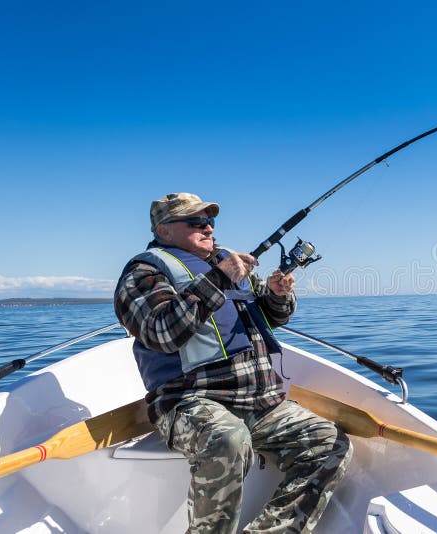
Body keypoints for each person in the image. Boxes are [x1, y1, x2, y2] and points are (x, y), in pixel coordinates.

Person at [114, 192, 352, 534]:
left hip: (260, 404)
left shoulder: (230, 264)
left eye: (210, 221)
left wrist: (277, 295)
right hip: (191, 402)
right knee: (228, 438)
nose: (208, 227)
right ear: (164, 230)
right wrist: (218, 280)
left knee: (330, 442)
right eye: (195, 222)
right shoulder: (144, 272)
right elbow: (161, 331)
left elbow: (270, 319)